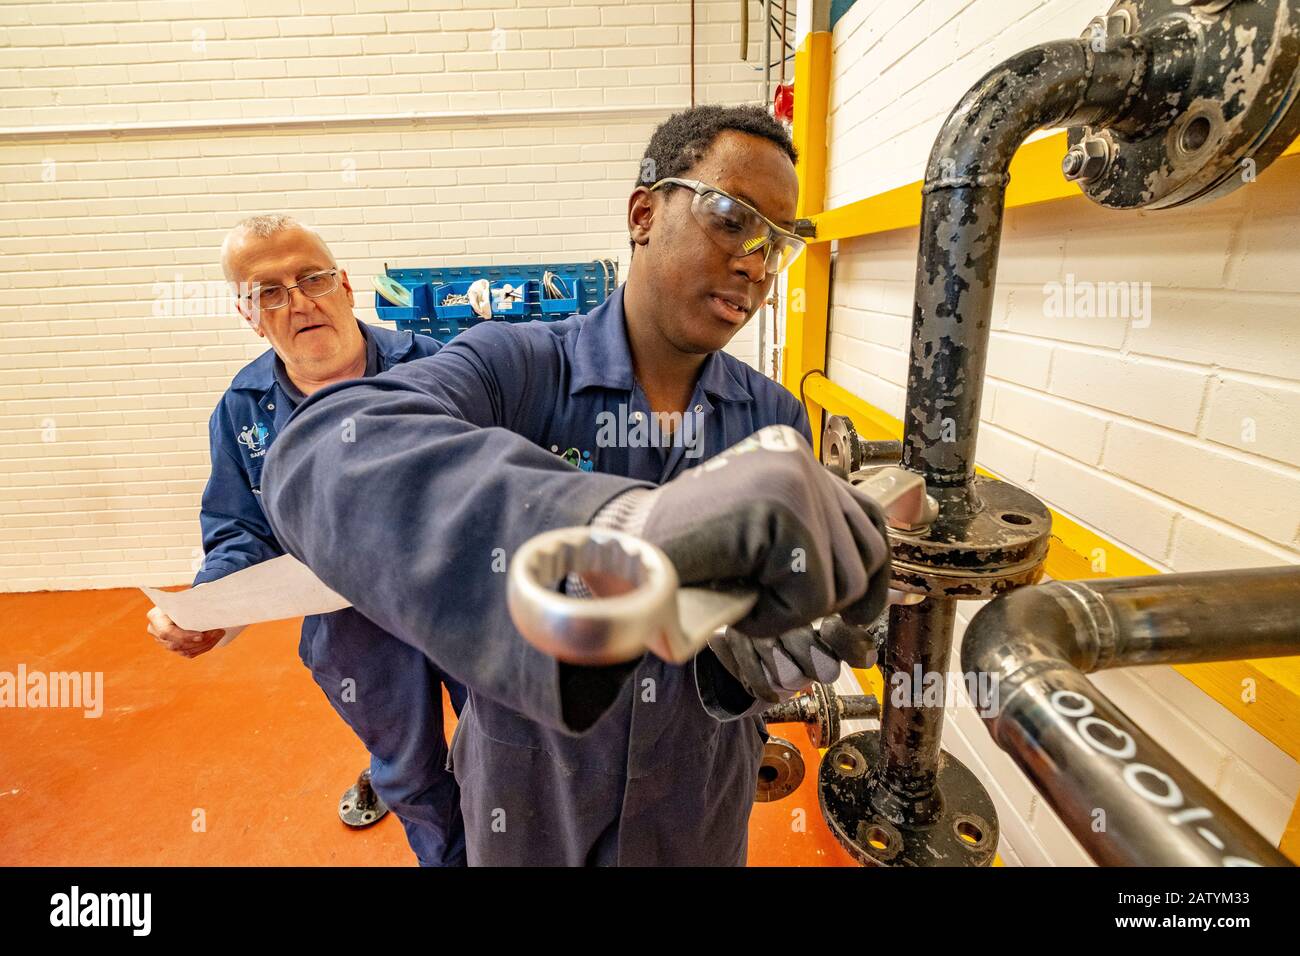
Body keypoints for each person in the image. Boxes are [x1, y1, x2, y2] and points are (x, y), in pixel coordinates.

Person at [260, 105, 892, 866]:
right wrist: (626, 529)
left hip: (695, 802)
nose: (757, 263)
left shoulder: (775, 421)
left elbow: (775, 626)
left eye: (778, 243)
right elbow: (321, 453)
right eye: (732, 218)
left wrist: (775, 646)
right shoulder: (514, 368)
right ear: (643, 213)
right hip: (531, 799)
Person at [145, 215, 468, 866]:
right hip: (354, 633)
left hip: (464, 606)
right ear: (248, 313)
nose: (298, 300)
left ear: (346, 286)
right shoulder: (244, 411)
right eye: (269, 291)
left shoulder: (441, 370)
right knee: (411, 776)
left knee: (511, 751)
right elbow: (240, 530)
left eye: (311, 277)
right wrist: (211, 608)